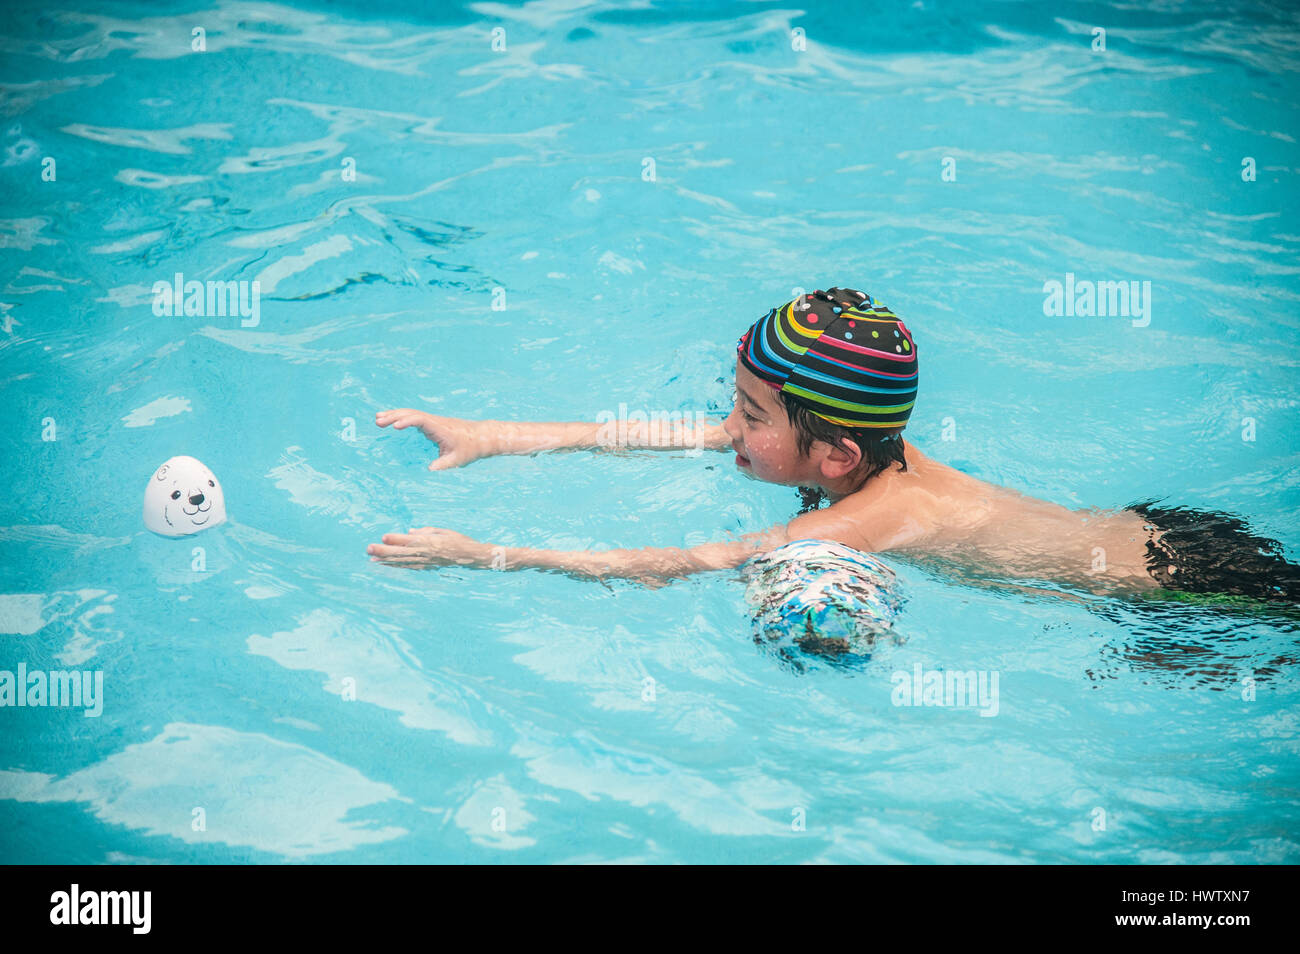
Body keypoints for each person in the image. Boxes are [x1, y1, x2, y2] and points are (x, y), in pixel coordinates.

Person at [366, 286, 1300, 606]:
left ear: (836, 460)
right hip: (1148, 535)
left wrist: (478, 555)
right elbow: (644, 431)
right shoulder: (853, 446)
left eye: (747, 417)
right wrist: (488, 436)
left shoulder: (869, 521)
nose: (724, 430)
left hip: (1174, 594)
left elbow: (671, 564)